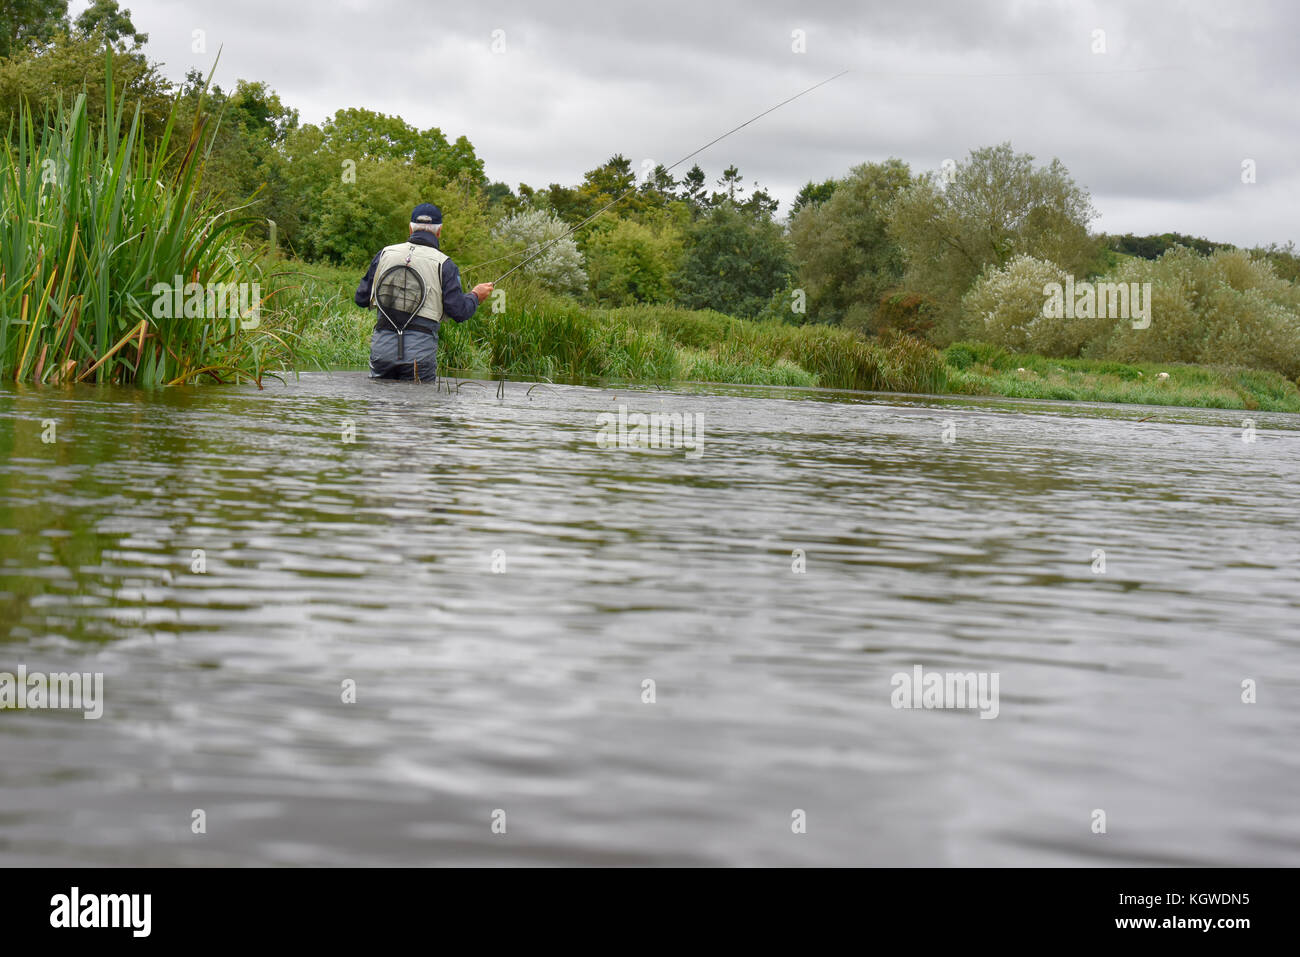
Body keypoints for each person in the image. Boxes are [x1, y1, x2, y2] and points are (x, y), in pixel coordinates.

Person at [354, 203, 493, 382]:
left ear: (410, 229)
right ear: (439, 231)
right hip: (419, 358)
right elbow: (459, 312)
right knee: (418, 407)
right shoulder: (445, 264)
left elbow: (361, 298)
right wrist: (475, 296)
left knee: (381, 408)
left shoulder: (385, 254)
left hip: (383, 352)